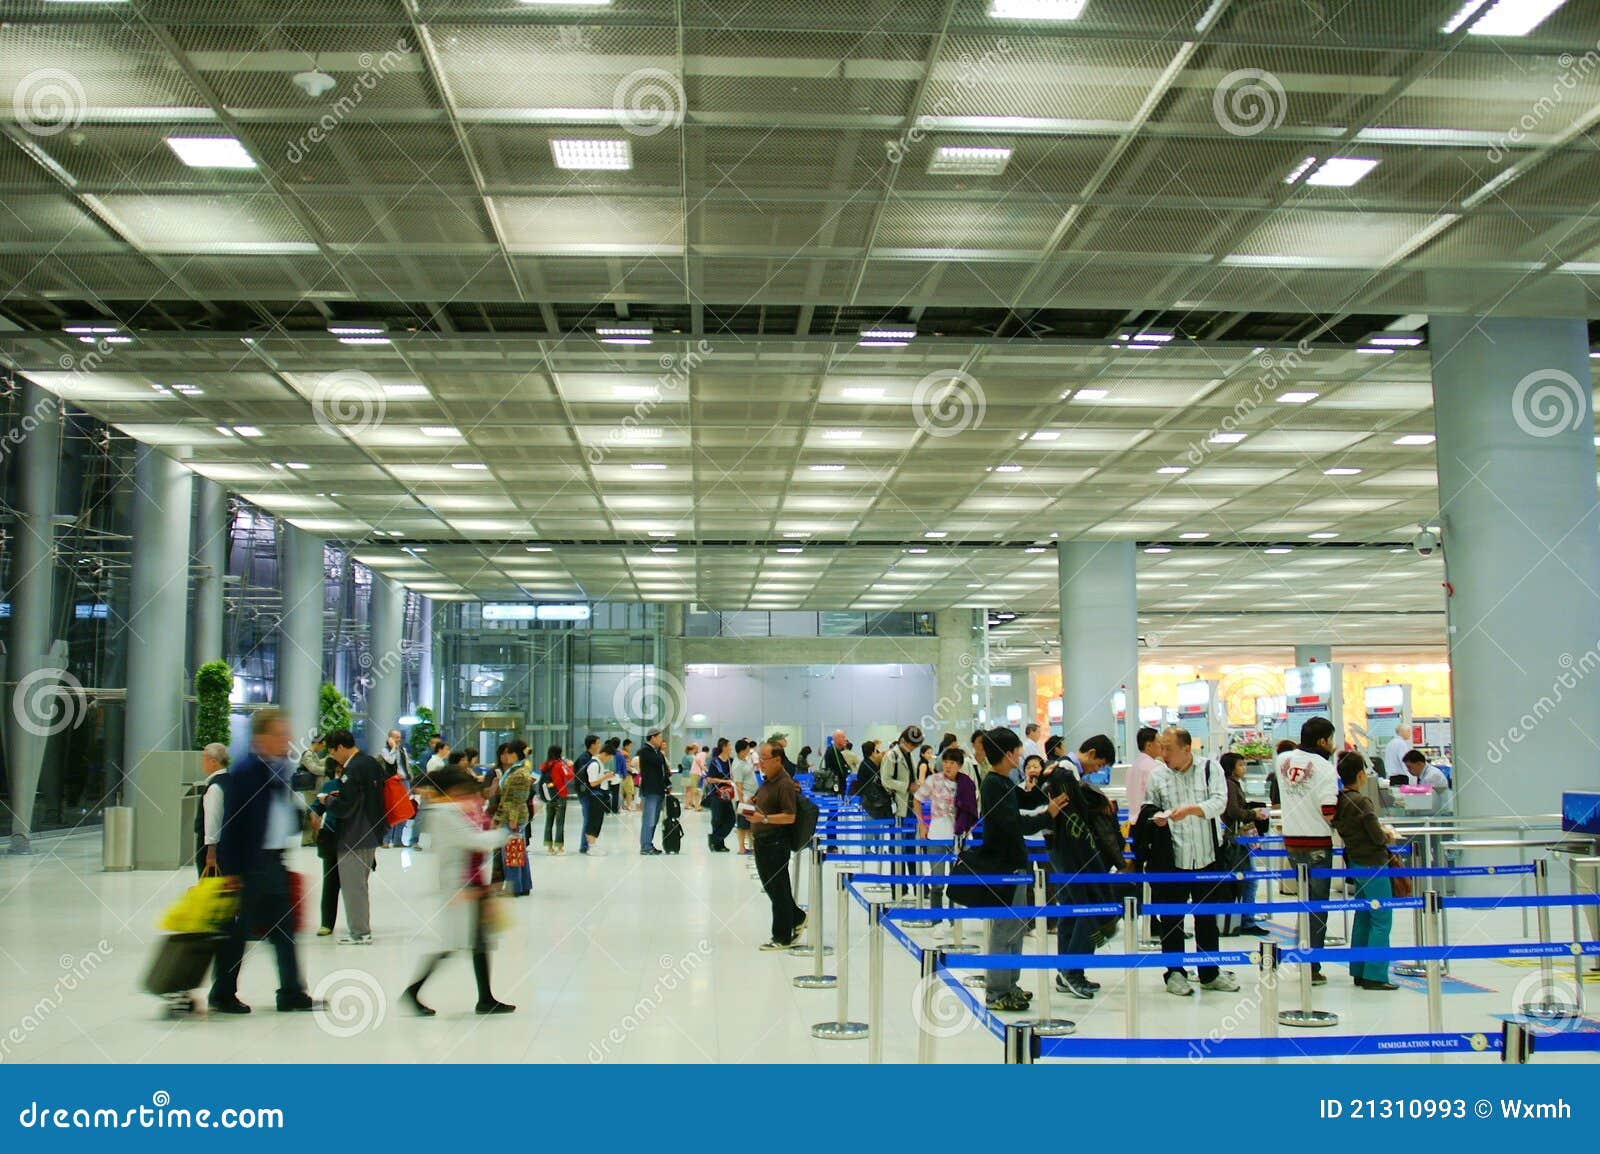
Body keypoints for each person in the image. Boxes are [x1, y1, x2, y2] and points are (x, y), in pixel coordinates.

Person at [207, 708, 318, 1015]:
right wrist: (231, 871)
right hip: (249, 865)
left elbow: (281, 815)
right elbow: (231, 824)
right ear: (261, 737)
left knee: (284, 929)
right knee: (238, 934)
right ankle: (222, 994)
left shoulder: (278, 771)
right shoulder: (246, 772)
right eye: (280, 734)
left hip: (273, 861)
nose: (287, 739)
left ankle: (292, 993)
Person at [402, 768, 515, 1016]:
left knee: (479, 941)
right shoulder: (443, 813)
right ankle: (413, 990)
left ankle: (486, 998)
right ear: (451, 790)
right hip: (459, 886)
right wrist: (505, 834)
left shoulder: (453, 809)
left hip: (471, 883)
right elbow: (474, 840)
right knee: (454, 944)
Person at [975, 727, 1066, 1011]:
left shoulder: (1003, 782)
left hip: (1015, 864)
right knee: (1005, 929)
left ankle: (1010, 984)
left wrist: (1041, 783)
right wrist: (1047, 815)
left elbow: (1024, 800)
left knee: (1015, 929)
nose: (1020, 756)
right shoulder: (993, 784)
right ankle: (996, 992)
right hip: (1003, 866)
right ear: (1006, 754)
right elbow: (1014, 824)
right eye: (1017, 752)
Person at [1147, 727, 1239, 997]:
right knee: (1171, 918)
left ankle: (1209, 972)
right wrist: (1155, 817)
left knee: (1207, 917)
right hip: (1172, 858)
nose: (1163, 753)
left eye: (1169, 748)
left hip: (1206, 856)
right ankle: (1175, 973)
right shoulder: (1157, 775)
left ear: (1186, 748)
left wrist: (1192, 810)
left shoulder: (1210, 769)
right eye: (1161, 747)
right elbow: (1148, 806)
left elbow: (1220, 802)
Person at [1043, 734, 1118, 998]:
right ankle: (1072, 972)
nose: (1097, 770)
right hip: (1072, 854)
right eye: (1099, 764)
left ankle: (1066, 971)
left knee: (1071, 910)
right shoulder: (1065, 774)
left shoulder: (1066, 772)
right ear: (1092, 752)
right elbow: (1071, 822)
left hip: (1064, 852)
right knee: (1089, 908)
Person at [1332, 752, 1401, 991]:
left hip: (1355, 863)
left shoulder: (1339, 800)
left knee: (1363, 916)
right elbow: (1376, 836)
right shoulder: (1362, 802)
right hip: (1373, 863)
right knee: (1381, 919)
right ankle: (1375, 974)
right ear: (1361, 774)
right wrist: (1388, 835)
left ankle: (1359, 970)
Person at [1279, 716, 1339, 985]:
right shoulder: (1325, 768)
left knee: (1304, 903)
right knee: (1317, 905)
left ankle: (1302, 955)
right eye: (1331, 739)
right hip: (1318, 843)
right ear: (1323, 741)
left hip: (1291, 842)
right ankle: (1311, 965)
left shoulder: (1283, 760)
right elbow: (1329, 811)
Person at [324, 729, 387, 946]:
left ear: (341, 747)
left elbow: (345, 807)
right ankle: (361, 930)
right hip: (371, 831)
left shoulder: (353, 768)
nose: (333, 757)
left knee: (353, 886)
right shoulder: (371, 762)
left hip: (354, 834)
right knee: (360, 884)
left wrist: (327, 801)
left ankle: (360, 932)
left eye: (333, 752)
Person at [747, 741, 806, 950]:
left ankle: (782, 936)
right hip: (763, 841)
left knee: (779, 888)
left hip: (775, 841)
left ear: (777, 760)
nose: (760, 763)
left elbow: (790, 816)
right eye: (760, 759)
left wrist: (763, 819)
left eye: (764, 759)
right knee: (771, 886)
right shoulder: (768, 781)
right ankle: (797, 917)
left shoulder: (784, 783)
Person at [1220, 751, 1270, 937]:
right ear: (1231, 768)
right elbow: (1233, 811)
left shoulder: (1231, 784)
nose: (1244, 768)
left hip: (1235, 838)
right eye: (1240, 765)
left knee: (1245, 879)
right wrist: (1252, 813)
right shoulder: (1230, 785)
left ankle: (1243, 918)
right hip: (1236, 840)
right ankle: (1247, 921)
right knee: (1250, 880)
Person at [915, 747, 964, 935]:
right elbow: (917, 800)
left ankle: (953, 921)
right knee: (937, 882)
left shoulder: (965, 783)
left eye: (952, 763)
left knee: (956, 881)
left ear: (959, 766)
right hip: (936, 834)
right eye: (945, 762)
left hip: (958, 837)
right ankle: (936, 922)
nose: (948, 766)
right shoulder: (933, 780)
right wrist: (922, 824)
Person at [494, 741, 533, 896]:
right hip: (510, 814)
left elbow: (518, 798)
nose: (507, 756)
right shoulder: (515, 770)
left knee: (511, 852)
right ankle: (523, 885)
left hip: (512, 816)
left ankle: (513, 887)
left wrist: (513, 819)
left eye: (510, 753)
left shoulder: (519, 773)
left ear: (517, 754)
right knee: (518, 850)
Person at [311, 759, 343, 936]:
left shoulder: (357, 784)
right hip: (332, 836)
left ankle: (358, 923)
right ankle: (327, 923)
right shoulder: (330, 785)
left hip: (355, 838)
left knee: (356, 885)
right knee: (330, 882)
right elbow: (316, 808)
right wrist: (314, 818)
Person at [193, 742, 229, 878]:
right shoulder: (228, 781)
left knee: (210, 882)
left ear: (214, 762)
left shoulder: (214, 787)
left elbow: (213, 819)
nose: (202, 762)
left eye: (204, 758)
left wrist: (211, 851)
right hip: (225, 845)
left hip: (212, 848)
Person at [639, 728, 671, 855]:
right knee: (649, 819)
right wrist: (661, 752)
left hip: (659, 790)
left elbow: (663, 769)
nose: (661, 740)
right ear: (652, 737)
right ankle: (645, 846)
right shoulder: (645, 751)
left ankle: (649, 844)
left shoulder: (656, 752)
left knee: (655, 819)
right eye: (659, 737)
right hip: (650, 790)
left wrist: (667, 783)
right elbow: (658, 762)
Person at [380, 728, 414, 848]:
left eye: (399, 737)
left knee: (403, 811)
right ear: (389, 738)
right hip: (393, 782)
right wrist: (393, 747)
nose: (398, 740)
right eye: (396, 737)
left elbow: (406, 765)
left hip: (404, 782)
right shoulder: (385, 750)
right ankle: (386, 839)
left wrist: (410, 777)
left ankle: (398, 840)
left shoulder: (403, 750)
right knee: (392, 811)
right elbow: (390, 761)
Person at [583, 739, 618, 854]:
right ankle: (591, 846)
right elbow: (592, 783)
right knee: (594, 821)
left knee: (597, 820)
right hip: (595, 796)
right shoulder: (594, 764)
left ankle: (593, 844)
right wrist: (605, 777)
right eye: (609, 757)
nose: (609, 760)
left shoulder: (599, 764)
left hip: (599, 795)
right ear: (604, 754)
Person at [1125, 726, 1162, 822]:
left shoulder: (1133, 767)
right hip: (1150, 819)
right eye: (1159, 742)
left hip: (1134, 820)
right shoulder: (1154, 768)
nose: (1161, 746)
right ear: (1149, 746)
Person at [705, 738, 736, 852]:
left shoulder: (731, 761)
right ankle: (719, 845)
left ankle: (714, 839)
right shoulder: (715, 762)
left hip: (728, 794)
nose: (731, 748)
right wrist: (724, 781)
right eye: (729, 746)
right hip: (716, 794)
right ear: (724, 747)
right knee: (717, 820)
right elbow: (709, 779)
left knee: (731, 819)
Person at [540, 745, 570, 854]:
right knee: (560, 822)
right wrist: (569, 765)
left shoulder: (544, 765)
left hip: (549, 795)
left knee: (549, 821)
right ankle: (559, 847)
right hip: (560, 795)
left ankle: (549, 847)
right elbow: (570, 776)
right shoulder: (560, 765)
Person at [574, 735, 600, 854]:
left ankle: (585, 844)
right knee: (588, 818)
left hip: (588, 791)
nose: (599, 745)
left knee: (589, 818)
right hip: (585, 792)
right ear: (592, 745)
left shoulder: (590, 757)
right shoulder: (584, 759)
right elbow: (583, 777)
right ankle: (584, 845)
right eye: (598, 743)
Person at [732, 738, 759, 855]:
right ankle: (741, 848)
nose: (749, 750)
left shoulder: (745, 760)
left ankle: (751, 846)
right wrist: (742, 802)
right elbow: (738, 784)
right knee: (743, 824)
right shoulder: (738, 765)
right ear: (742, 750)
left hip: (751, 798)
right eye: (748, 748)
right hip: (745, 798)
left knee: (750, 823)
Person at [819, 730, 850, 796]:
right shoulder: (832, 751)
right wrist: (847, 770)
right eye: (843, 737)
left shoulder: (837, 751)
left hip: (838, 785)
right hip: (835, 787)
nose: (845, 740)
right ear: (837, 739)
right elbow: (841, 770)